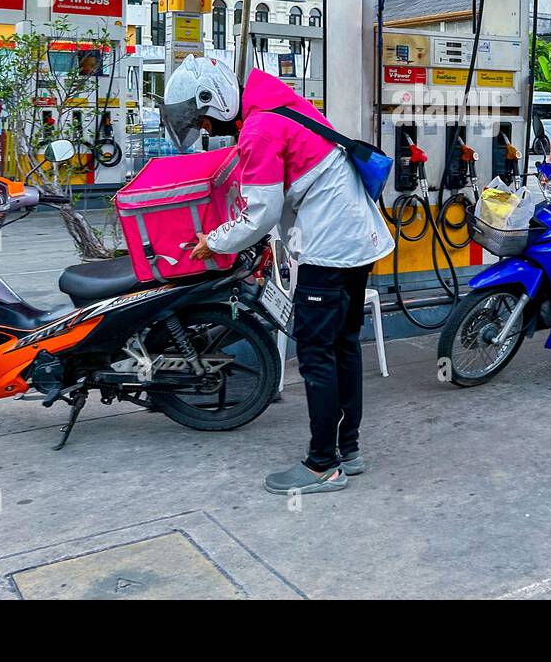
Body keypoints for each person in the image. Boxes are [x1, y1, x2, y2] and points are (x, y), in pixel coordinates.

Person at [167, 57, 394, 496]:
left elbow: (261, 214)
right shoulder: (280, 104)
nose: (206, 129)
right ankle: (348, 448)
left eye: (203, 119)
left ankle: (322, 465)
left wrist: (214, 241)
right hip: (357, 240)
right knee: (343, 346)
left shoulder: (259, 129)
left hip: (329, 249)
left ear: (216, 101)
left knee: (316, 355)